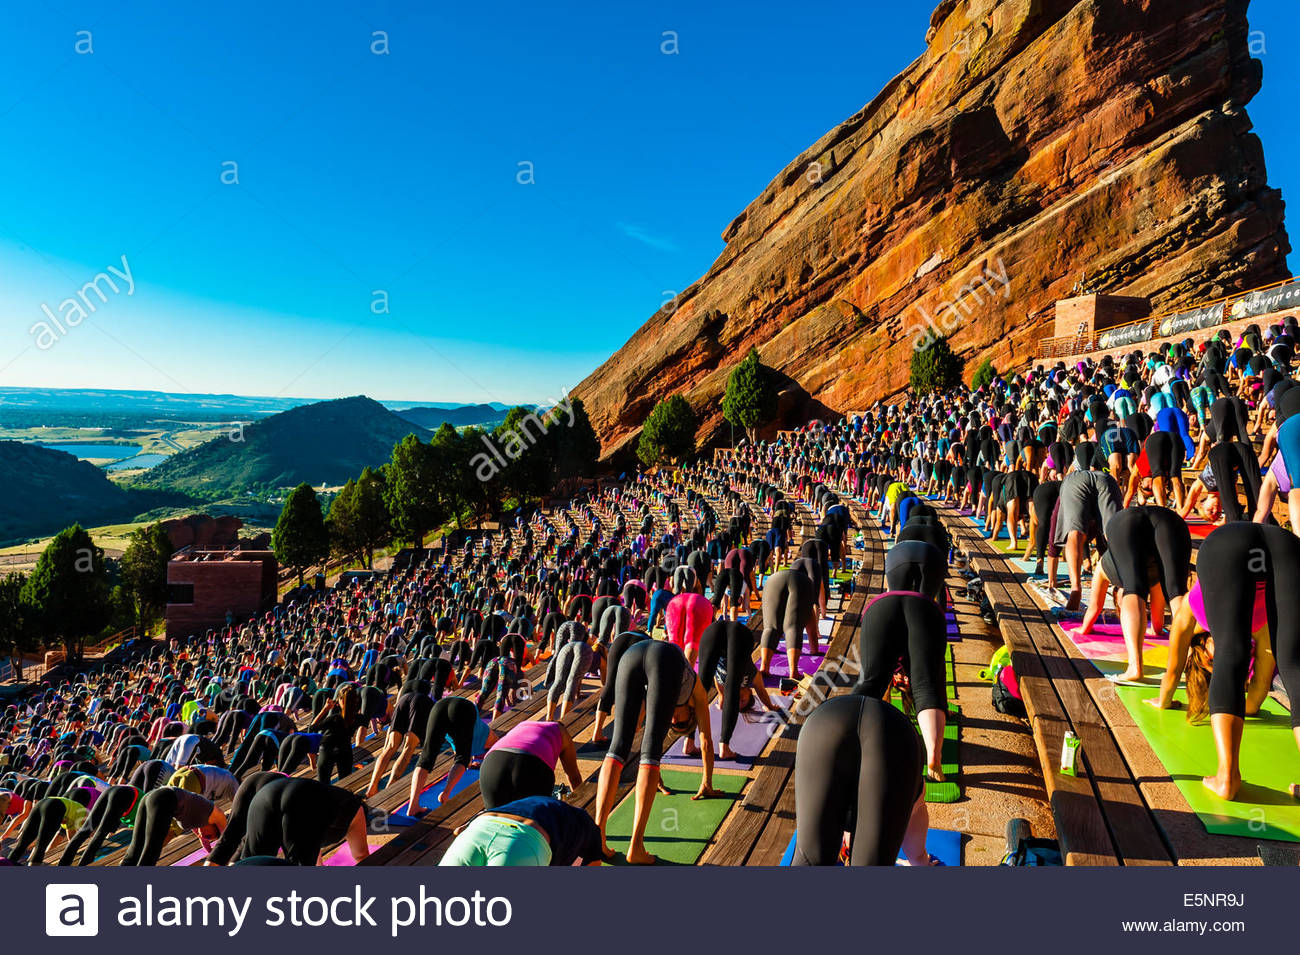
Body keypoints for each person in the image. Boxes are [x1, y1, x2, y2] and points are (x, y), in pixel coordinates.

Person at [1148, 523, 1300, 801]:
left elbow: (1173, 667)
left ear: (1201, 649)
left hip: (1226, 545)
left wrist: (1164, 699)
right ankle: (1228, 776)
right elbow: (1258, 691)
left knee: (1239, 652)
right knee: (1293, 663)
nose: (1214, 660)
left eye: (1209, 662)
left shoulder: (1189, 615)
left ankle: (1227, 778)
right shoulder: (1259, 627)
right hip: (1285, 545)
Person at [594, 639, 717, 864]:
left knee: (620, 747)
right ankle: (634, 846)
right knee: (642, 749)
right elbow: (706, 740)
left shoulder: (675, 693)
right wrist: (707, 783)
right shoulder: (698, 694)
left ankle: (597, 839)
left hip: (633, 654)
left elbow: (640, 721)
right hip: (664, 656)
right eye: (678, 721)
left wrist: (654, 777)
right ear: (690, 713)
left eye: (674, 722)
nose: (672, 719)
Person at [792, 693, 936, 865]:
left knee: (811, 861)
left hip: (827, 719)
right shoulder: (898, 809)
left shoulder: (838, 817)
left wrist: (919, 860)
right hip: (893, 730)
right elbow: (916, 841)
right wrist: (919, 861)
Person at [1079, 506, 1191, 683]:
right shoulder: (1153, 578)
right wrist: (1156, 630)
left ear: (1117, 594)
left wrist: (1083, 628)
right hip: (1170, 520)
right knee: (1177, 592)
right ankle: (1192, 659)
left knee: (1134, 589)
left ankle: (1135, 667)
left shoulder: (1103, 568)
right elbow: (1157, 622)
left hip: (1125, 522)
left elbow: (1094, 607)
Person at [857, 592, 949, 781]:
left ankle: (851, 748)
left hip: (879, 607)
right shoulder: (912, 672)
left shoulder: (892, 669)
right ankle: (934, 757)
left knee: (870, 684)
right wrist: (942, 708)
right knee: (926, 687)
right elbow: (935, 688)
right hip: (926, 608)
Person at [695, 620, 780, 760]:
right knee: (729, 688)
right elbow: (762, 691)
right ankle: (723, 747)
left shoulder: (723, 686)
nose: (740, 699)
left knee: (701, 686)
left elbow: (719, 684)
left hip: (713, 633)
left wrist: (721, 697)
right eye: (743, 700)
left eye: (738, 704)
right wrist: (769, 706)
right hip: (740, 634)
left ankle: (689, 743)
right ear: (749, 692)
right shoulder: (752, 677)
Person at [239, 776, 369, 865]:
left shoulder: (327, 804)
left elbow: (311, 841)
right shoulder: (356, 808)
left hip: (265, 794)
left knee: (251, 865)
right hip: (299, 799)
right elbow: (361, 855)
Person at [439, 796, 602, 866]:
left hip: (480, 827)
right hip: (523, 842)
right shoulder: (588, 832)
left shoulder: (531, 803)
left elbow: (459, 830)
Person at [405, 697, 493, 817]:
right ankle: (445, 794)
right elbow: (462, 756)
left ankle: (413, 805)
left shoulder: (479, 735)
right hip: (464, 708)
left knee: (425, 758)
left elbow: (457, 747)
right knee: (462, 758)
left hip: (439, 706)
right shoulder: (488, 735)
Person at [479, 720, 585, 809]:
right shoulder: (562, 732)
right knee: (536, 824)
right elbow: (574, 777)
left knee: (493, 819)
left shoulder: (522, 725)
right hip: (531, 763)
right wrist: (581, 807)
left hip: (493, 762)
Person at [122, 786, 227, 866]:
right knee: (152, 849)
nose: (203, 837)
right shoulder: (216, 814)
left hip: (151, 797)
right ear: (214, 825)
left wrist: (210, 852)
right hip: (164, 798)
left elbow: (206, 845)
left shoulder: (197, 822)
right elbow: (227, 838)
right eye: (208, 836)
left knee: (137, 845)